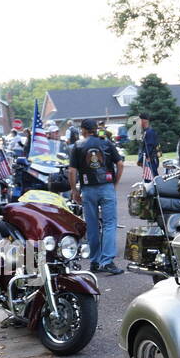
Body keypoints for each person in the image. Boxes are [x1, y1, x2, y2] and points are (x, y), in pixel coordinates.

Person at [67, 117, 124, 274]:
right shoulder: (106, 143)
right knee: (109, 224)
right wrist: (115, 183)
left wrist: (74, 190)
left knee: (91, 226)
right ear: (95, 129)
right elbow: (120, 164)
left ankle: (95, 261)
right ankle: (107, 261)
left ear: (84, 130)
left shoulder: (78, 146)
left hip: (88, 189)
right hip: (106, 187)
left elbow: (72, 171)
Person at [137, 113, 159, 181]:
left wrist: (141, 160)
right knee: (149, 179)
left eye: (139, 120)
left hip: (150, 159)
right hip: (148, 160)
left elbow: (148, 147)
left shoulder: (149, 132)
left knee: (151, 180)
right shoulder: (146, 132)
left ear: (144, 121)